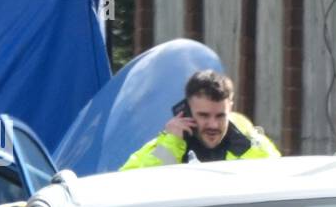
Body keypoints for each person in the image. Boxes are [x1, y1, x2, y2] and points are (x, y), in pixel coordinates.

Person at [120, 69, 280, 169]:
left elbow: (283, 192)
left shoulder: (253, 147)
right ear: (187, 110)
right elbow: (129, 189)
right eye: (204, 115)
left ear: (230, 108)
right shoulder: (167, 144)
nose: (213, 124)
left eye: (220, 115)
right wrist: (171, 145)